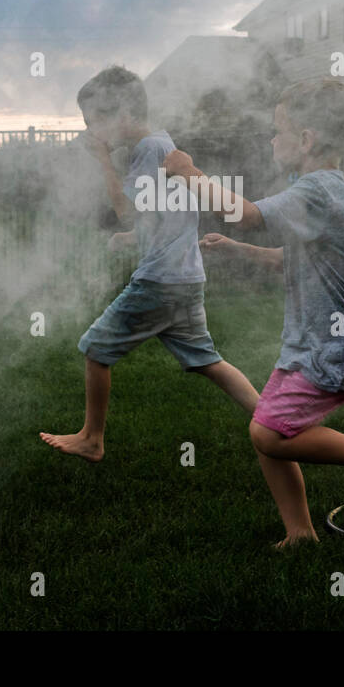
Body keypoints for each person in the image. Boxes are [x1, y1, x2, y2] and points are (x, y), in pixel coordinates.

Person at [163, 79, 344, 547]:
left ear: (307, 139)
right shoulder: (318, 191)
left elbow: (246, 212)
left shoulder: (319, 190)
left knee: (269, 433)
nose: (272, 140)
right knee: (269, 430)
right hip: (310, 346)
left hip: (336, 347)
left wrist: (189, 172)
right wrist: (237, 249)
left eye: (278, 131)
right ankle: (300, 533)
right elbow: (284, 257)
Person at [39, 65, 259, 462]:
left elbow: (126, 209)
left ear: (122, 114)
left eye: (94, 122)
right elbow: (158, 214)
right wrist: (133, 238)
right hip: (186, 277)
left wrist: (104, 161)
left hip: (160, 280)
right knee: (208, 360)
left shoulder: (147, 152)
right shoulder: (164, 144)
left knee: (94, 350)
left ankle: (92, 438)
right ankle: (269, 420)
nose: (91, 132)